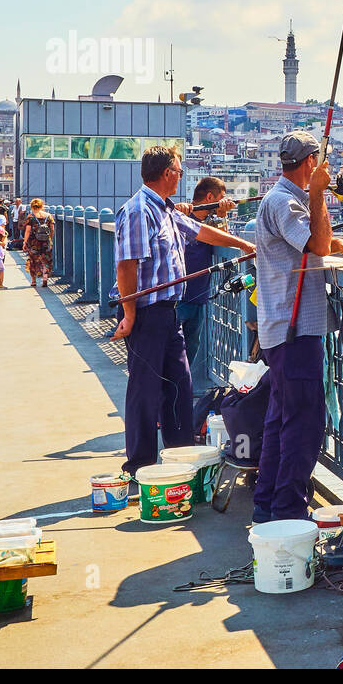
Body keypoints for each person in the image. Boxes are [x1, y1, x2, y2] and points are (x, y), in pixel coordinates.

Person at [110, 146, 255, 481]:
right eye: (178, 170)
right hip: (147, 314)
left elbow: (199, 231)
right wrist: (129, 314)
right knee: (145, 390)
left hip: (170, 313)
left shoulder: (166, 209)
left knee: (179, 385)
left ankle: (179, 457)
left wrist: (241, 244)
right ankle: (139, 466)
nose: (180, 176)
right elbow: (126, 266)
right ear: (166, 173)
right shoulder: (138, 210)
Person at [252, 131, 343, 523]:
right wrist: (320, 194)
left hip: (281, 331)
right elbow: (319, 247)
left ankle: (267, 505)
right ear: (309, 163)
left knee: (280, 419)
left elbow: (321, 242)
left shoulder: (282, 200)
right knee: (304, 424)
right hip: (294, 333)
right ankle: (288, 511)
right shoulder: (286, 202)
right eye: (318, 163)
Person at [177, 177, 233, 402]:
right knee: (172, 353)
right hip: (177, 298)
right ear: (209, 197)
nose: (222, 202)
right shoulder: (181, 218)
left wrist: (223, 216)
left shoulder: (210, 223)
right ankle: (165, 403)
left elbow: (225, 241)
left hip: (198, 298)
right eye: (219, 199)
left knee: (190, 351)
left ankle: (181, 398)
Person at [22, 199, 54, 287]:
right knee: (46, 260)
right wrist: (50, 239)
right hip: (46, 242)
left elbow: (28, 231)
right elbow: (52, 229)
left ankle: (34, 281)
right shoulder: (48, 216)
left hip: (34, 242)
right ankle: (45, 278)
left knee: (33, 260)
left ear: (32, 207)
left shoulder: (31, 217)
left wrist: (25, 242)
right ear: (42, 206)